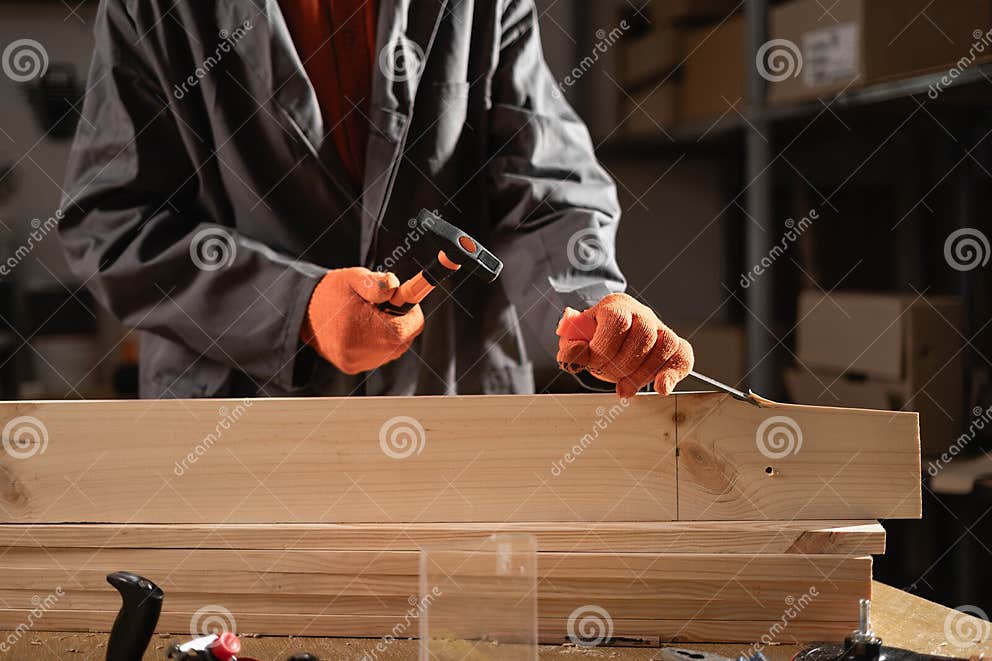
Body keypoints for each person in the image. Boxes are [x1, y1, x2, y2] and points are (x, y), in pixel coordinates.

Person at [59, 0, 693, 399]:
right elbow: (109, 222)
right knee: (236, 619)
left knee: (473, 618)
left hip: (452, 416)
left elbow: (545, 189)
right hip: (238, 427)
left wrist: (590, 303)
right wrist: (296, 308)